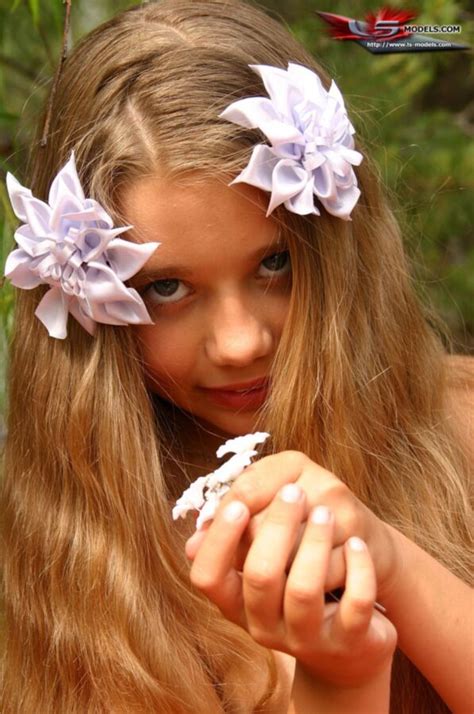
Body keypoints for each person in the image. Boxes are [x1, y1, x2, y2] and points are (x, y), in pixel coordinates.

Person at [0, 0, 472, 712]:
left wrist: (398, 567)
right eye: (166, 288)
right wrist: (343, 677)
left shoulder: (458, 431)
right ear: (83, 300)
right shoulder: (61, 556)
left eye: (275, 264)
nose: (241, 341)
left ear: (340, 255)